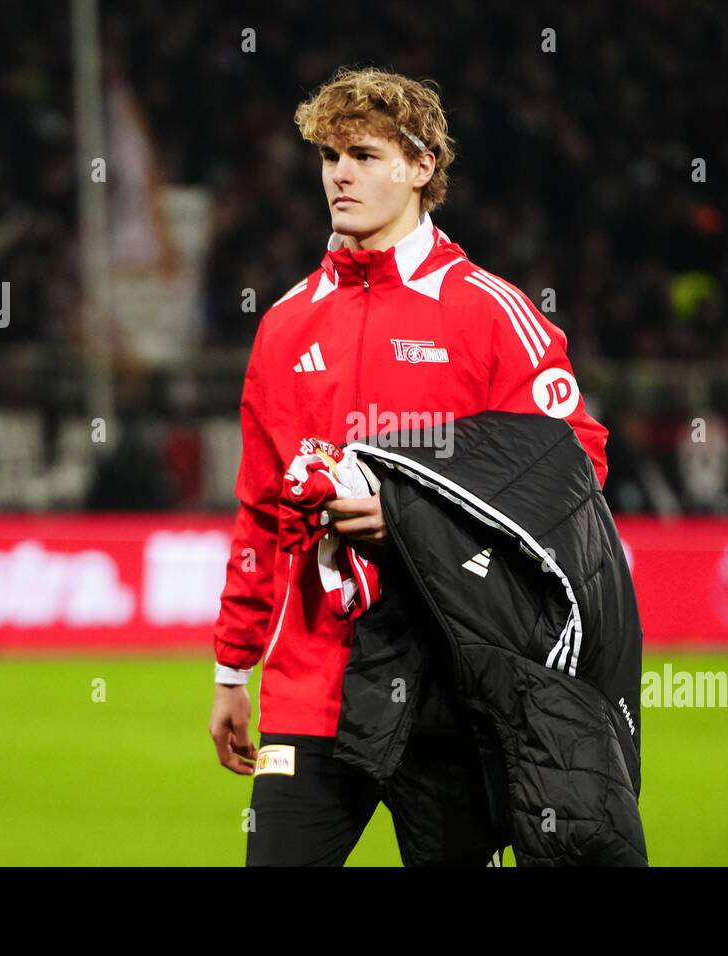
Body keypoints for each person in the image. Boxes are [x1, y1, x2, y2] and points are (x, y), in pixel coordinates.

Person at [207, 65, 610, 865]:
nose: (340, 175)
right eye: (329, 158)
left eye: (363, 154)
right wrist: (231, 666)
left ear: (422, 167)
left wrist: (411, 517)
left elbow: (574, 464)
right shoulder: (285, 325)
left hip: (452, 685)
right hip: (312, 684)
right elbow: (261, 506)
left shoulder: (491, 314)